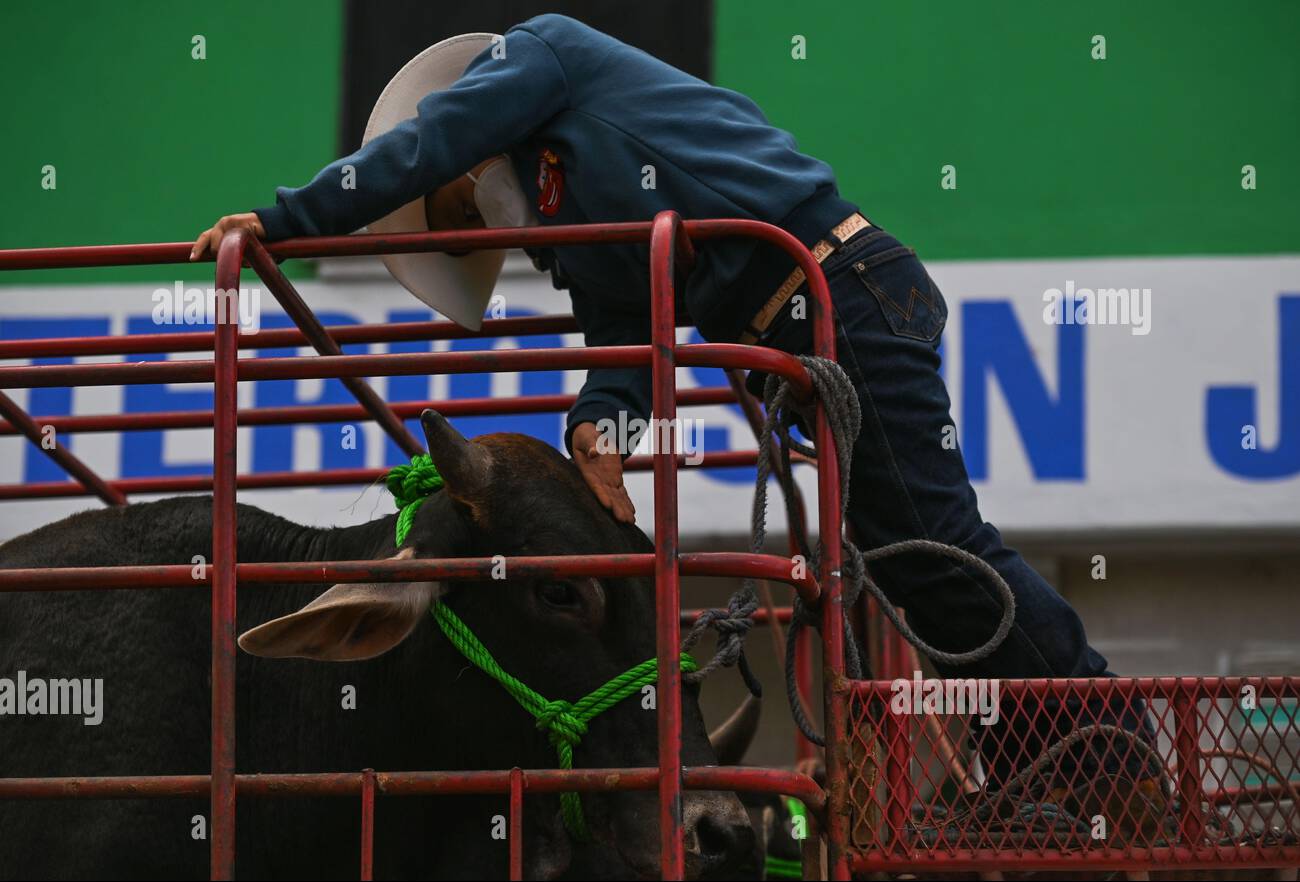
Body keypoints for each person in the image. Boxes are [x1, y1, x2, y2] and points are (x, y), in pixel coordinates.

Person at [191, 14, 1157, 796]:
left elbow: (426, 143)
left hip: (839, 294)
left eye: (447, 214)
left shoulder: (542, 57)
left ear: (461, 152)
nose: (470, 230)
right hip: (815, 318)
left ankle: (1112, 760)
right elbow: (625, 342)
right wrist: (596, 432)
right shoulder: (583, 223)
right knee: (914, 562)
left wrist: (285, 220)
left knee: (940, 547)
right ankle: (1050, 768)